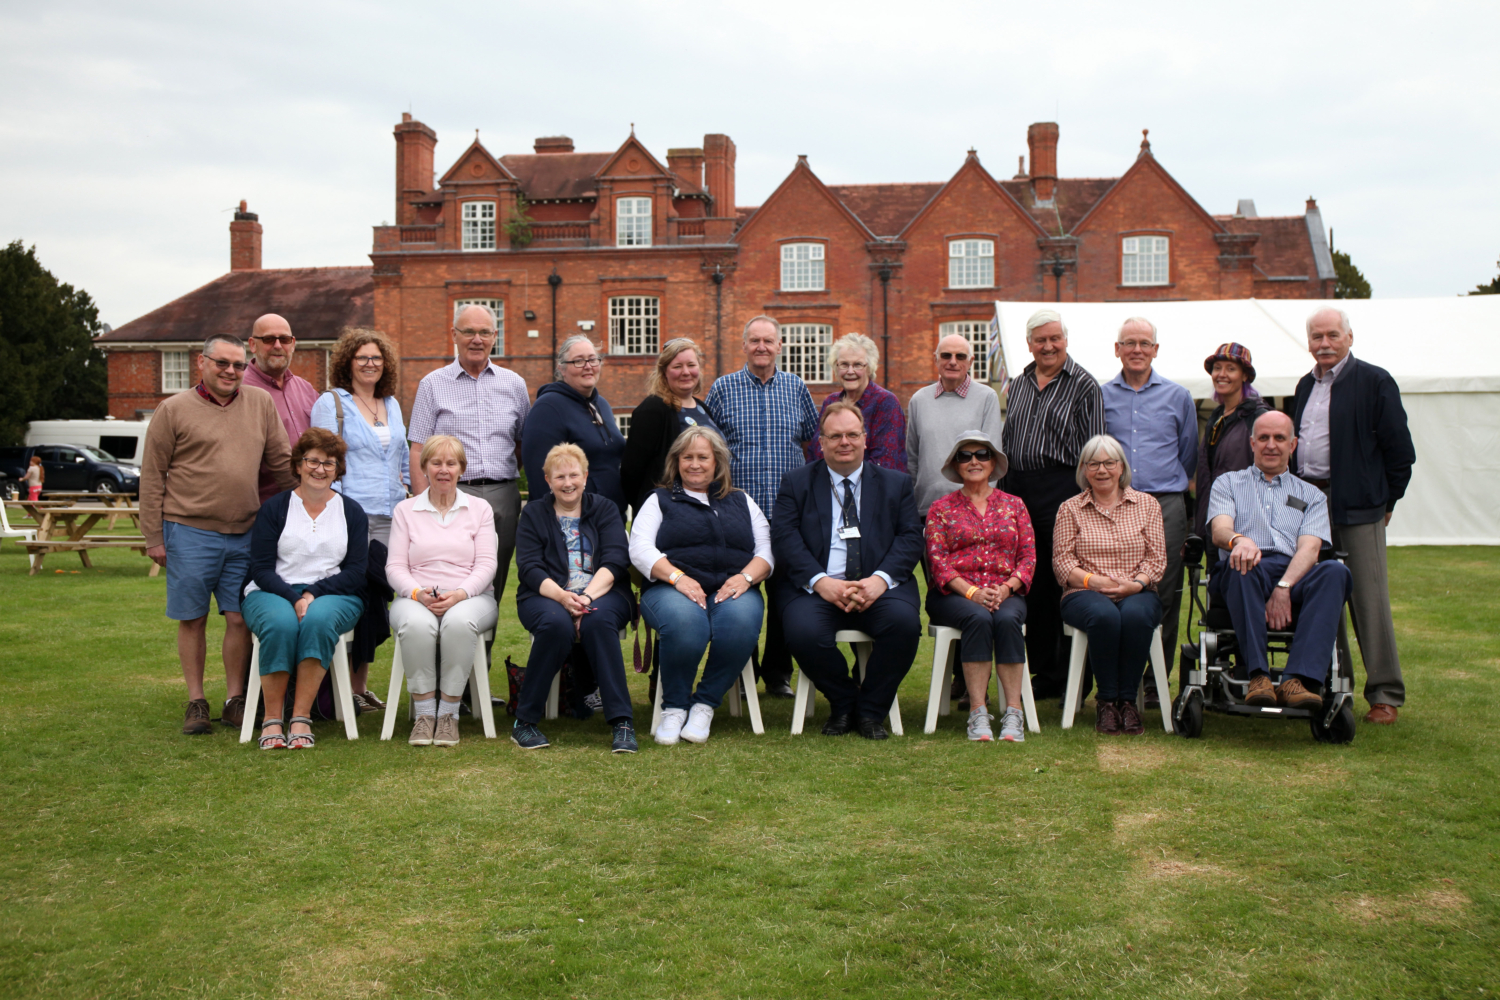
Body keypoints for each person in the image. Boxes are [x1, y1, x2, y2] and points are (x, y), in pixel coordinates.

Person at [140, 334, 296, 735]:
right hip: (188, 529)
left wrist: (311, 502)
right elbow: (153, 476)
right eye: (222, 363)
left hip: (245, 531)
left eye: (238, 365)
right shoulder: (172, 409)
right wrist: (153, 537)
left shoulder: (260, 404)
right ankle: (196, 701)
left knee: (238, 618)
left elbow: (280, 463)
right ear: (202, 363)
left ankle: (233, 700)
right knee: (192, 619)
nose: (230, 371)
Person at [771, 402, 923, 740]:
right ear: (820, 442)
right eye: (835, 436)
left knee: (903, 626)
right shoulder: (796, 483)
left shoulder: (896, 483)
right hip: (817, 589)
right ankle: (843, 702)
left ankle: (870, 712)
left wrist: (879, 581)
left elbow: (911, 538)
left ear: (865, 439)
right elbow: (784, 538)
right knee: (803, 633)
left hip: (879, 587)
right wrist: (820, 582)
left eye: (852, 434)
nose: (845, 442)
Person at [1291, 308, 1415, 724]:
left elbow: (1401, 453)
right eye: (1316, 337)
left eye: (1331, 335)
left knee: (1367, 599)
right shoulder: (1305, 385)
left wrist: (1386, 502)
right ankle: (1327, 682)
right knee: (1318, 596)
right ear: (1308, 342)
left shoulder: (1375, 381)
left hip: (1359, 508)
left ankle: (1384, 694)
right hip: (1309, 507)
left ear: (1349, 337)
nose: (1324, 343)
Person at [630, 426, 773, 745]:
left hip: (733, 587)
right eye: (687, 457)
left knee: (740, 623)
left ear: (717, 461)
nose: (695, 464)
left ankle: (705, 704)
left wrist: (745, 577)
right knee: (685, 624)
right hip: (671, 588)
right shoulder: (660, 499)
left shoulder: (741, 500)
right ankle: (674, 708)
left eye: (703, 457)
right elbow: (639, 548)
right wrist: (677, 578)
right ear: (676, 461)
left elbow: (766, 550)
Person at [704, 315, 819, 698]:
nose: (761, 348)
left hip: (789, 513)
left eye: (768, 341)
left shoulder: (796, 387)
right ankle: (743, 671)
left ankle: (777, 673)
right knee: (740, 592)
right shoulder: (723, 389)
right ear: (744, 345)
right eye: (754, 341)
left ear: (779, 346)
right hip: (740, 512)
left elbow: (809, 439)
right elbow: (711, 450)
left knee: (787, 595)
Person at [1207, 411, 1352, 711]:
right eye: (1263, 438)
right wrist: (1239, 540)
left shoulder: (1311, 496)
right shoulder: (1228, 483)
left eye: (1279, 438)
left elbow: (1310, 549)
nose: (1271, 445)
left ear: (1293, 444)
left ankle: (1296, 680)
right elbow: (1220, 530)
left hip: (1292, 572)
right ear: (1252, 443)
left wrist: (1284, 587)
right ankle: (1257, 675)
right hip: (1245, 567)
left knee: (1335, 572)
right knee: (1240, 564)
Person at [1001, 309, 1107, 698]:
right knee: (1032, 584)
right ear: (1029, 344)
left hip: (1064, 489)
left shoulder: (1084, 385)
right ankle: (1045, 676)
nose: (1048, 346)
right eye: (1040, 340)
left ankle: (1078, 680)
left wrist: (1089, 503)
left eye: (1054, 339)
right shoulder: (1019, 382)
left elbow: (1095, 452)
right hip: (1019, 489)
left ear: (1065, 340)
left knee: (1069, 581)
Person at [240, 428, 368, 749]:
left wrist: (313, 593)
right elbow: (260, 568)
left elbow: (356, 571)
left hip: (334, 594)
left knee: (318, 621)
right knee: (280, 623)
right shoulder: (275, 508)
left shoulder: (351, 512)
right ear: (298, 464)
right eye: (312, 460)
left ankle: (300, 717)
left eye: (329, 463)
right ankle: (272, 719)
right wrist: (293, 597)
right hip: (272, 590)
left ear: (338, 470)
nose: (319, 469)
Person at [511, 444, 637, 754]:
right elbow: (529, 567)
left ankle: (622, 722)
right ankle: (524, 722)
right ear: (547, 480)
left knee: (598, 620)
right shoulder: (534, 514)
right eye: (560, 477)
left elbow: (616, 559)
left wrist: (586, 597)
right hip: (546, 594)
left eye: (574, 475)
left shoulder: (605, 509)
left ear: (585, 476)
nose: (568, 483)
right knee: (555, 625)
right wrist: (563, 598)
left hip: (603, 591)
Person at [311, 328, 410, 713]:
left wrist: (408, 494)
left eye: (377, 358)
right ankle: (333, 688)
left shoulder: (392, 404)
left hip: (392, 514)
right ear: (347, 362)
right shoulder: (332, 403)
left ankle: (359, 685)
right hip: (351, 514)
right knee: (354, 593)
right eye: (362, 357)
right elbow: (320, 458)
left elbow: (401, 457)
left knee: (378, 596)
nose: (370, 364)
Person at [407, 303, 529, 600]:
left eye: (485, 332)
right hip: (451, 495)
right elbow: (418, 448)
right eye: (469, 332)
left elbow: (523, 442)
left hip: (503, 496)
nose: (477, 339)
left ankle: (482, 647)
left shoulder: (514, 384)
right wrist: (424, 504)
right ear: (454, 335)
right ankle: (445, 643)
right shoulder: (432, 384)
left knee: (494, 578)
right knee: (448, 575)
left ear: (494, 335)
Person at [1101, 316, 1197, 691]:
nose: (1137, 350)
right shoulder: (1101, 395)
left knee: (1164, 590)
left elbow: (1187, 455)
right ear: (1117, 349)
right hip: (1114, 505)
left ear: (1155, 350)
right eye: (1129, 343)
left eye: (1144, 343)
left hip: (1165, 505)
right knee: (1112, 588)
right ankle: (1117, 679)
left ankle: (1155, 681)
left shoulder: (1178, 396)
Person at [385, 435, 498, 748]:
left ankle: (448, 715)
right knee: (416, 624)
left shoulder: (480, 509)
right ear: (424, 467)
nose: (444, 470)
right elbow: (394, 568)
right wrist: (417, 593)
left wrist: (460, 594)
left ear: (461, 468)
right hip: (417, 595)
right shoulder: (405, 511)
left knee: (459, 622)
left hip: (472, 597)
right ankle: (424, 715)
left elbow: (487, 564)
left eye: (451, 463)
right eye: (436, 462)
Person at [923, 431, 1034, 742]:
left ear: (993, 462)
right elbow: (938, 562)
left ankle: (1014, 712)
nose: (974, 461)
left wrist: (1007, 588)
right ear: (956, 466)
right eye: (965, 456)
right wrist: (972, 593)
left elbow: (1027, 557)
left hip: (1004, 591)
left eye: (981, 454)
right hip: (954, 594)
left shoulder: (1015, 505)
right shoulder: (940, 508)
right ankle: (977, 712)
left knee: (1009, 618)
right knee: (978, 617)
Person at [1053, 434, 1166, 735]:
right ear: (1084, 470)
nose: (1102, 470)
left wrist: (1136, 585)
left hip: (1137, 589)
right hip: (1083, 592)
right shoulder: (1070, 508)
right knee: (1104, 616)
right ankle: (1106, 701)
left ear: (1121, 467)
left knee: (1135, 615)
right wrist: (1095, 581)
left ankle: (1126, 702)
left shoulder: (1147, 504)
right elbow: (1062, 562)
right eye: (1093, 464)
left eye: (1109, 463)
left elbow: (1157, 560)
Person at [522, 335, 628, 520]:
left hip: (610, 517)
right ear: (561, 368)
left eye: (592, 359)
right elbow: (540, 476)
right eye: (578, 361)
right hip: (575, 523)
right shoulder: (548, 408)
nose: (588, 366)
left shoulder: (601, 405)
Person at [620, 338, 721, 515]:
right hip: (668, 511)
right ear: (664, 371)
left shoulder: (702, 408)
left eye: (691, 365)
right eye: (677, 367)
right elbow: (631, 471)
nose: (686, 372)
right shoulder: (653, 409)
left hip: (707, 506)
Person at [906, 332, 1002, 516]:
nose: (952, 361)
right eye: (946, 355)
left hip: (973, 509)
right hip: (927, 508)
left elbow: (992, 458)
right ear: (935, 359)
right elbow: (912, 460)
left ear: (971, 361)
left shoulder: (987, 398)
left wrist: (983, 506)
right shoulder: (919, 400)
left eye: (960, 356)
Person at [1193, 343, 1271, 539]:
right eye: (1217, 368)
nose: (1222, 374)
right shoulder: (1216, 417)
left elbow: (1273, 472)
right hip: (1215, 518)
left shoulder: (1259, 418)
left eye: (1231, 369)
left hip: (1247, 524)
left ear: (1245, 375)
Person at [242, 314, 320, 503]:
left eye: (284, 339)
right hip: (262, 507)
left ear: (292, 343)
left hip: (309, 502)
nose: (278, 346)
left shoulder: (306, 389)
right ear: (252, 344)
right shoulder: (239, 390)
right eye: (269, 339)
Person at [806, 332, 907, 472]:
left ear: (869, 368)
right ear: (836, 367)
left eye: (858, 365)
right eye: (844, 364)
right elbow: (815, 453)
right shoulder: (830, 402)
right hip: (827, 489)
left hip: (870, 490)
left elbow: (885, 462)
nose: (850, 371)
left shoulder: (886, 403)